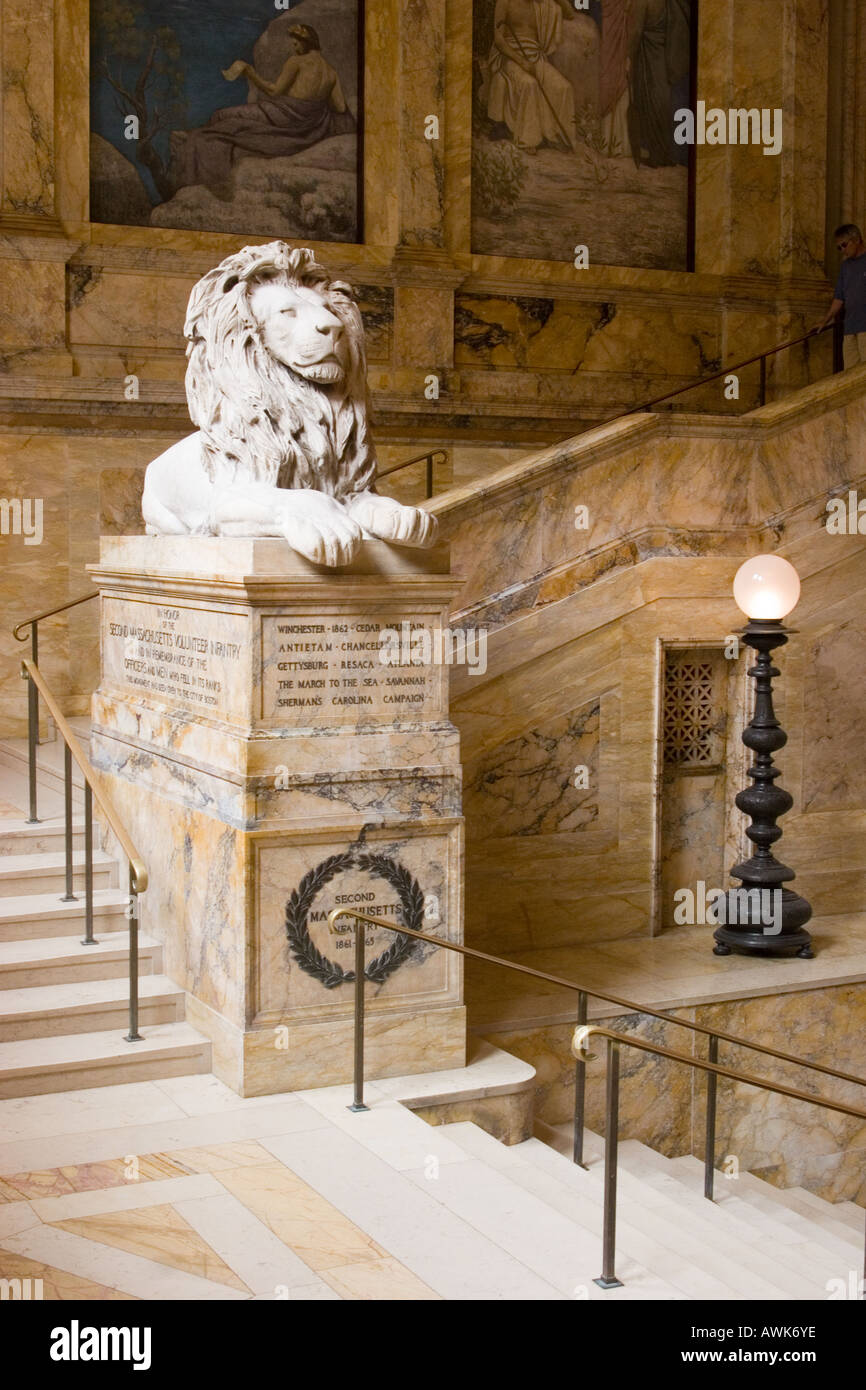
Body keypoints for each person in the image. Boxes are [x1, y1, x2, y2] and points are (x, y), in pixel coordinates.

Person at [171, 24, 355, 200]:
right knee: (229, 118)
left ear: (307, 41)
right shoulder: (331, 73)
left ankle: (193, 139)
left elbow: (274, 91)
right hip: (308, 122)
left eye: (296, 41)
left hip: (282, 114)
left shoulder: (297, 61)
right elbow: (339, 107)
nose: (293, 45)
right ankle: (193, 136)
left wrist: (249, 71)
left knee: (222, 115)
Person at [485, 0, 579, 153]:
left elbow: (569, 13)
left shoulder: (542, 4)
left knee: (564, 87)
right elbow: (499, 40)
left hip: (536, 58)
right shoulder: (504, 2)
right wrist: (522, 62)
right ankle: (528, 139)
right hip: (510, 58)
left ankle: (558, 137)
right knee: (530, 84)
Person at [814, 223, 866, 369]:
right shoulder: (845, 266)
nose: (842, 250)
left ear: (856, 240)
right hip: (850, 328)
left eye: (844, 245)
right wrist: (825, 321)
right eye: (839, 248)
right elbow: (839, 298)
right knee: (849, 376)